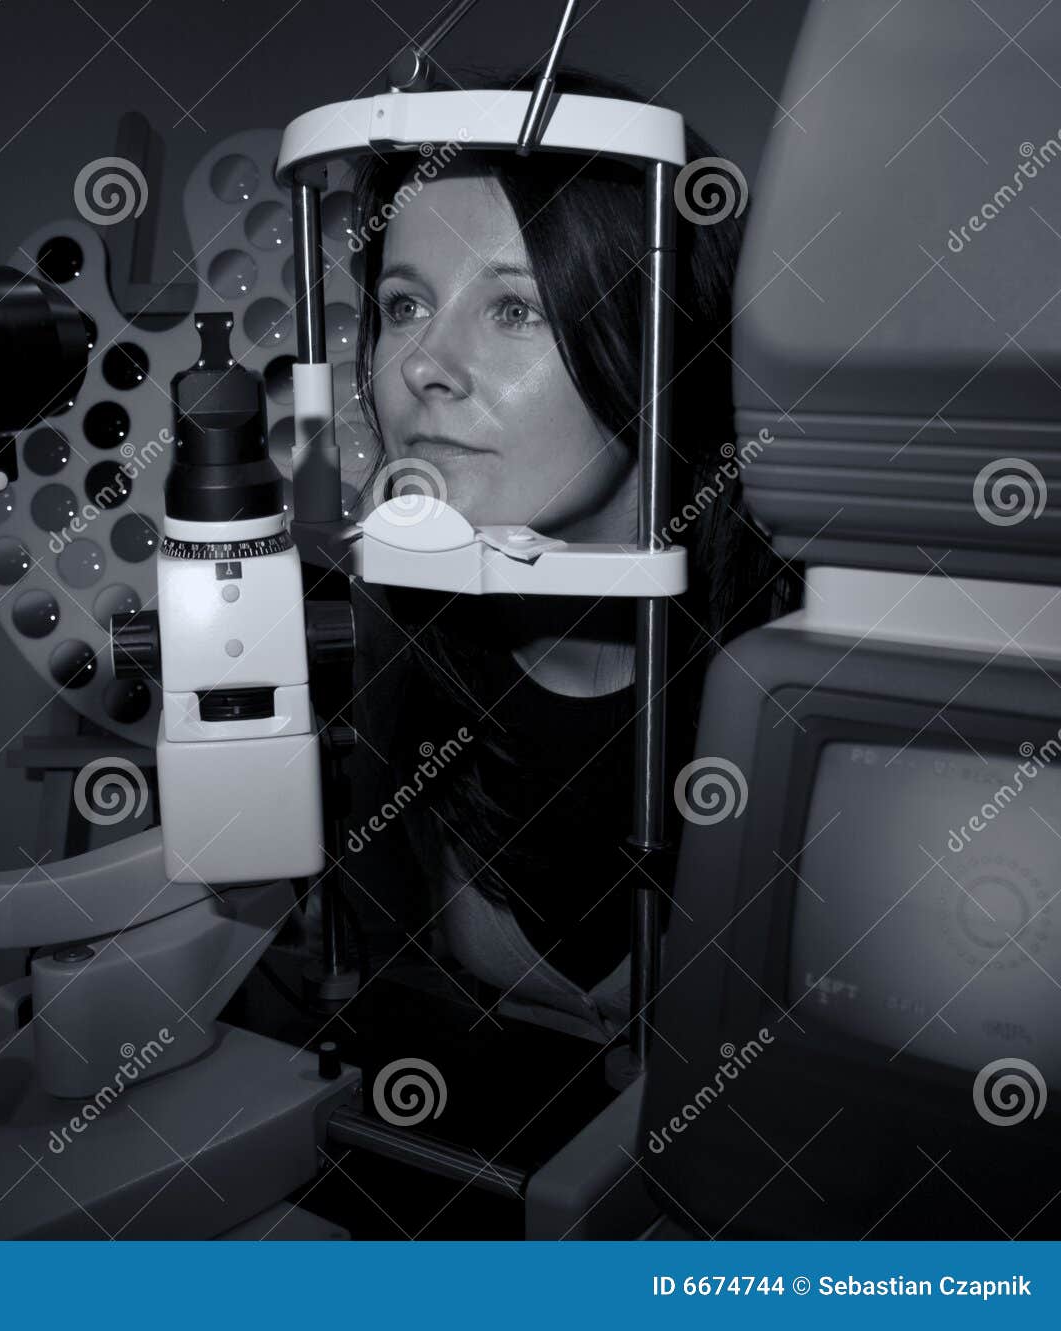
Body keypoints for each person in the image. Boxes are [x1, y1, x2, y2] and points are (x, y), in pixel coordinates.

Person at [341, 65, 797, 1038]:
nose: (420, 365)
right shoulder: (396, 655)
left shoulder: (801, 663)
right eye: (404, 304)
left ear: (654, 335)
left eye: (513, 309)